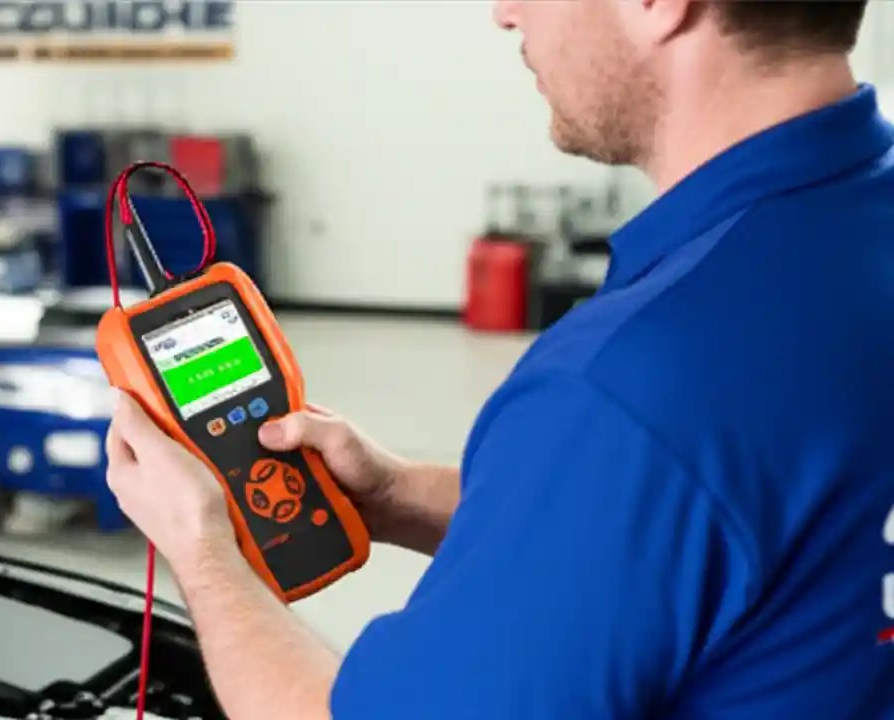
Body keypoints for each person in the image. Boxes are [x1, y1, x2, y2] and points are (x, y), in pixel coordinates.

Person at [105, 1, 894, 717]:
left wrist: (200, 547)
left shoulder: (631, 389)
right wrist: (395, 495)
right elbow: (708, 544)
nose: (504, 12)